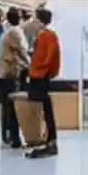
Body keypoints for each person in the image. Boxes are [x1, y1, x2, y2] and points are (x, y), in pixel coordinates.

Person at [25, 8, 62, 159]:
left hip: (40, 75)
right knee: (44, 106)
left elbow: (50, 56)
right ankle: (49, 138)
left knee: (43, 107)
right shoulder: (43, 35)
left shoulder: (47, 35)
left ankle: (50, 139)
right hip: (40, 74)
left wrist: (42, 68)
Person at [0, 7, 30, 148]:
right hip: (10, 74)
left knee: (7, 107)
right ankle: (14, 137)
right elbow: (22, 51)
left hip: (4, 74)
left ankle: (8, 135)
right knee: (12, 108)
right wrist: (31, 64)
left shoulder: (7, 31)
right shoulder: (14, 33)